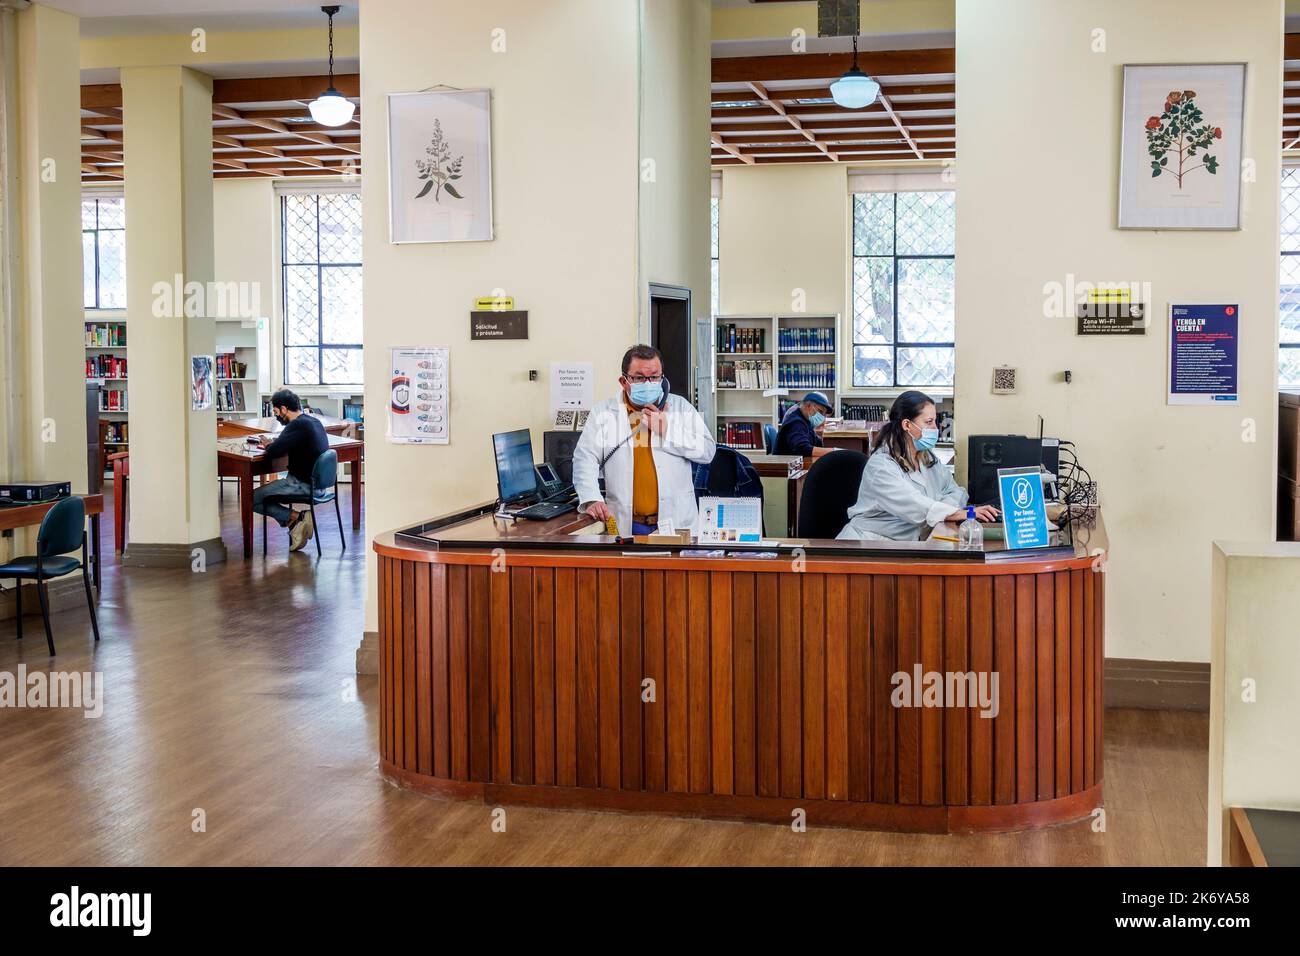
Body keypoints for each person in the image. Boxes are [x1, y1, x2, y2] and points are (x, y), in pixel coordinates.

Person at [571, 344, 716, 536]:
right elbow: (585, 458)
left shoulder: (681, 408)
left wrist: (667, 430)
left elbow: (707, 452)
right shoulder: (604, 413)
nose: (648, 383)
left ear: (663, 379)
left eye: (654, 377)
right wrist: (591, 498)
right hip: (628, 524)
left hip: (676, 523)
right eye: (639, 378)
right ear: (624, 381)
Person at [837, 389, 998, 541]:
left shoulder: (926, 457)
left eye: (935, 421)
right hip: (868, 544)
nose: (936, 428)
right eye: (929, 422)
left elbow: (956, 491)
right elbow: (915, 505)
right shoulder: (881, 466)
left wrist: (945, 510)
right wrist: (955, 513)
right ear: (907, 425)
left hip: (908, 543)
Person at [252, 388, 330, 552]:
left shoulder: (296, 425)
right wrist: (278, 443)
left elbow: (274, 452)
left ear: (284, 409)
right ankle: (295, 524)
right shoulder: (312, 421)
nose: (277, 416)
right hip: (319, 487)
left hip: (302, 484)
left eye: (276, 412)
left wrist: (269, 444)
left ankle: (297, 518)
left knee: (251, 499)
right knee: (267, 496)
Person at [775, 391, 836, 458]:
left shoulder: (806, 421)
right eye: (820, 411)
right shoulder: (795, 422)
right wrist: (834, 452)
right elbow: (803, 449)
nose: (822, 417)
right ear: (808, 405)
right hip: (785, 466)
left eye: (824, 414)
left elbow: (817, 443)